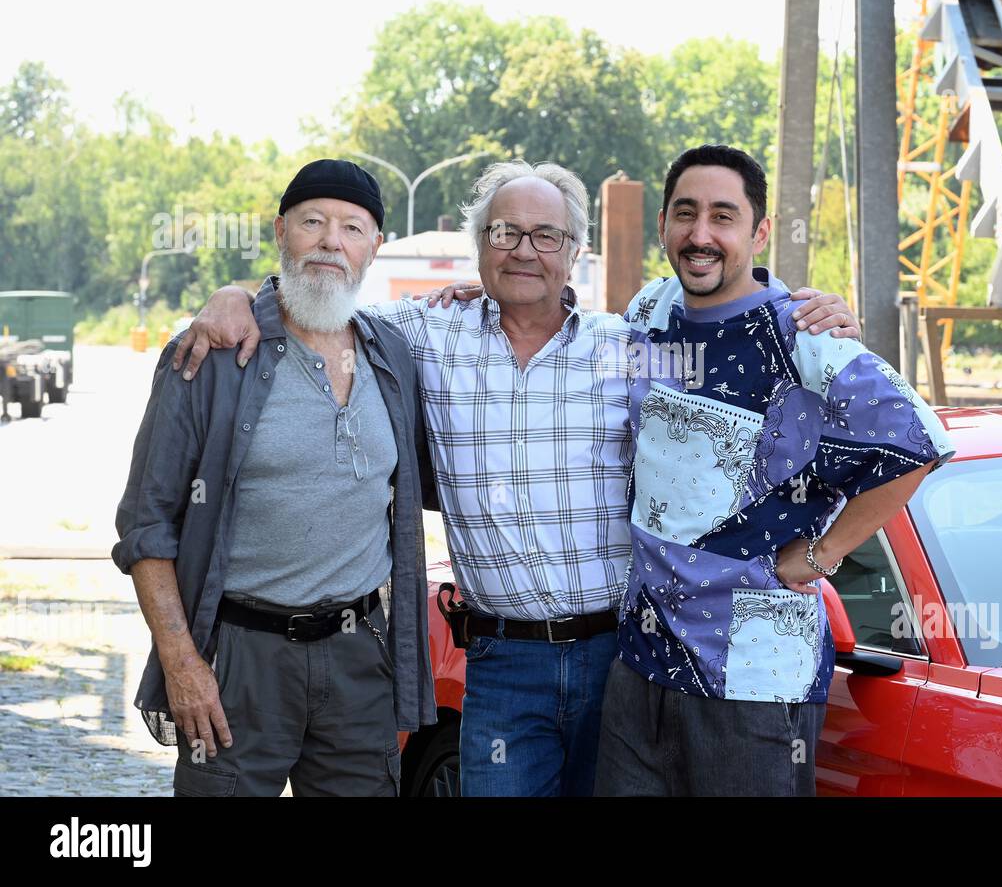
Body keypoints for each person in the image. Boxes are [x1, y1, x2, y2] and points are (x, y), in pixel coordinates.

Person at [169, 158, 860, 796]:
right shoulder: (421, 337)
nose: (524, 250)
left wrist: (806, 313)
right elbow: (317, 295)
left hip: (619, 661)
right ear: (479, 246)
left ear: (575, 254)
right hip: (499, 664)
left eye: (545, 236)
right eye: (505, 233)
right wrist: (238, 295)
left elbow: (736, 360)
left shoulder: (627, 349)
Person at [592, 145, 956, 796]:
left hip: (755, 681)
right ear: (664, 226)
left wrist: (822, 554)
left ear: (759, 233)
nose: (701, 234)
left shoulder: (805, 337)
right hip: (642, 665)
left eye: (723, 216)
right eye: (686, 213)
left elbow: (918, 443)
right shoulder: (649, 311)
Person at [113, 159, 438, 796]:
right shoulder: (209, 356)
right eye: (311, 222)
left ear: (374, 247)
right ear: (279, 231)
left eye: (351, 227)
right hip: (238, 660)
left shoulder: (393, 353)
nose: (329, 241)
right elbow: (145, 525)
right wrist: (183, 664)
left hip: (358, 658)